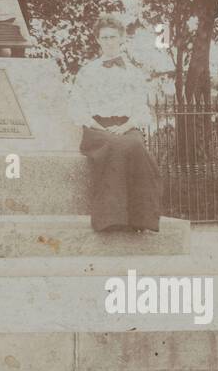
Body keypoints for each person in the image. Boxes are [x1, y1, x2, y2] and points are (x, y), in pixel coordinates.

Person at [68, 15, 161, 232]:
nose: (109, 41)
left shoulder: (133, 73)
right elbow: (77, 106)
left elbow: (140, 107)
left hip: (126, 126)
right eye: (104, 37)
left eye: (113, 37)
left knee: (135, 146)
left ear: (121, 39)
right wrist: (101, 127)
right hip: (96, 128)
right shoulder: (88, 71)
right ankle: (111, 220)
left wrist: (125, 127)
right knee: (116, 146)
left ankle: (141, 220)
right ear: (98, 40)